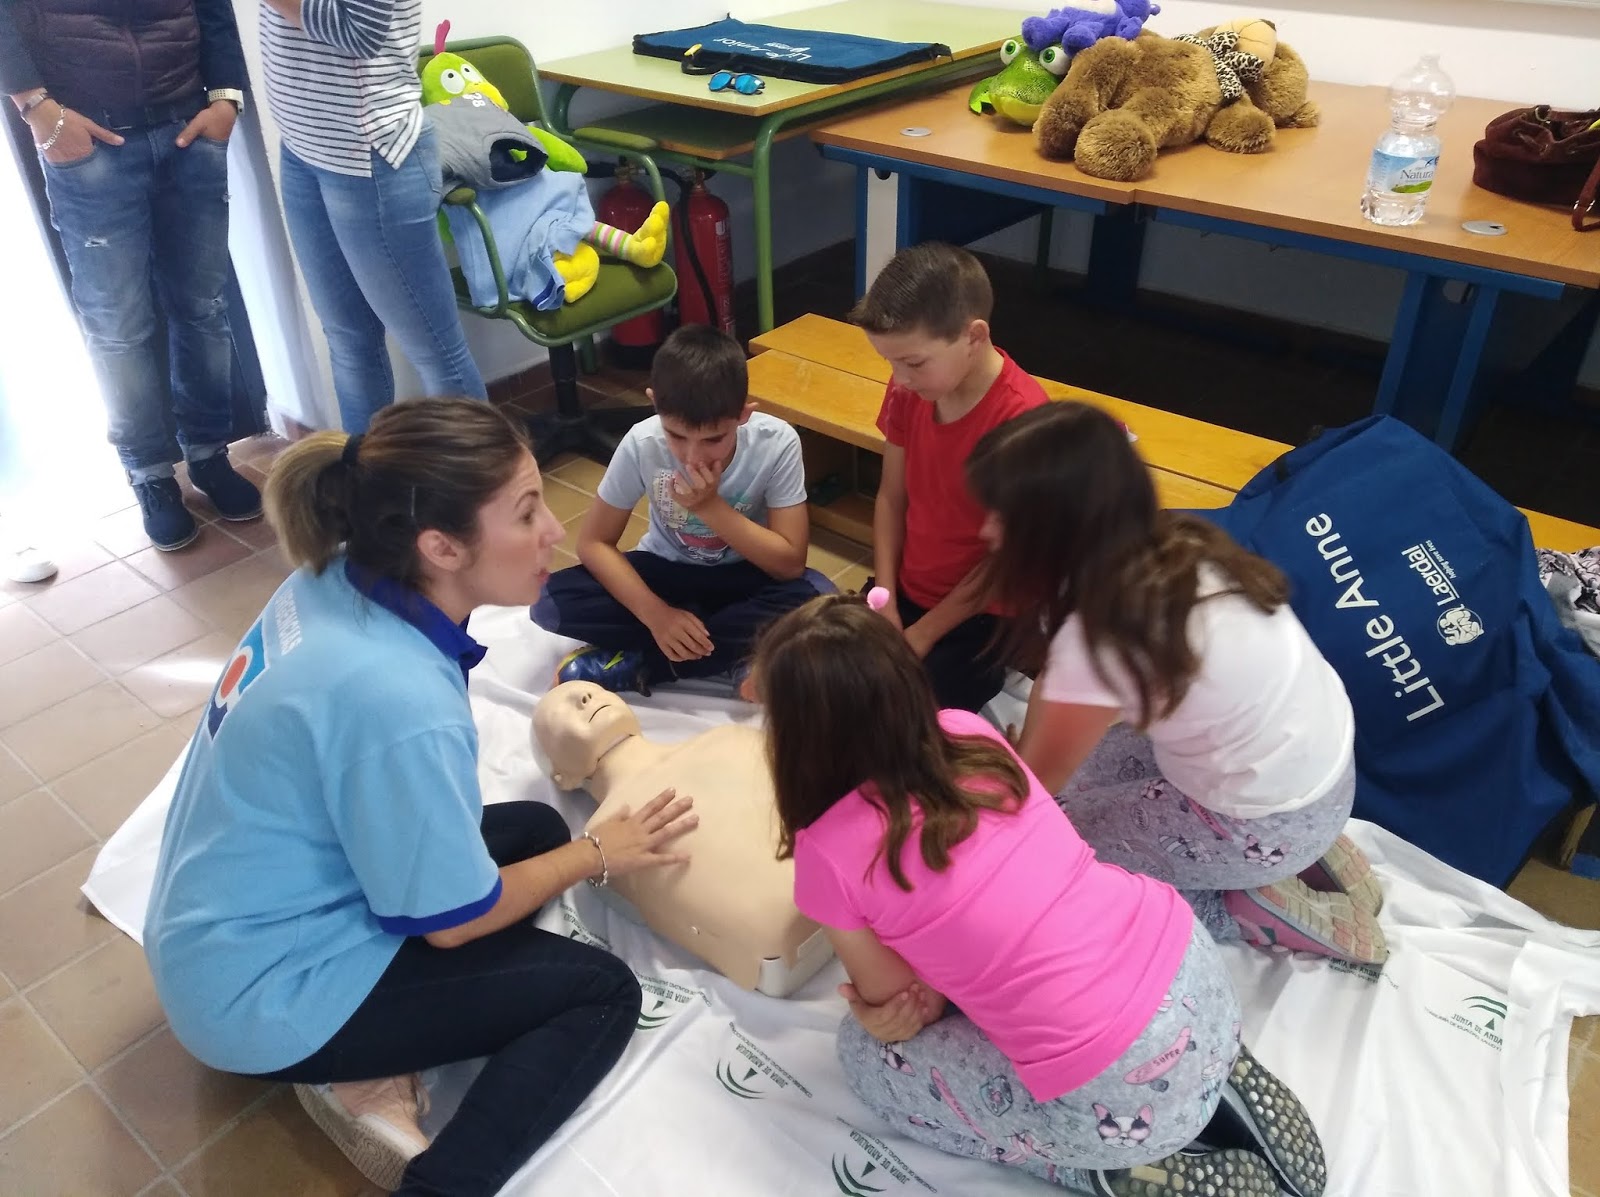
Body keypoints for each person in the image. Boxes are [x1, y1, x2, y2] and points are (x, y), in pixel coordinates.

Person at [143, 399, 698, 1197]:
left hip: (222, 925)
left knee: (538, 827)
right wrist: (600, 853)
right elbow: (458, 925)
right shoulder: (395, 696)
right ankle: (438, 1181)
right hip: (258, 992)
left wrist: (568, 850)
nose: (553, 530)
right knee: (601, 992)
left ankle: (374, 1056)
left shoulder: (335, 574)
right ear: (439, 545)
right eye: (526, 510)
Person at [751, 595, 1327, 1197]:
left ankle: (1093, 1167)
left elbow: (900, 1003)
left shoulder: (825, 851)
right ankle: (1214, 1070)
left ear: (794, 735)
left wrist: (885, 1016)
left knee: (865, 1057)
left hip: (1115, 1090)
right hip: (1193, 971)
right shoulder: (969, 731)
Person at [966, 402, 1386, 966]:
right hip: (1322, 778)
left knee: (1057, 850)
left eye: (1000, 516)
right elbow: (1062, 698)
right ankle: (1292, 853)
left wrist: (976, 804)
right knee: (1082, 786)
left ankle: (1247, 910)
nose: (985, 530)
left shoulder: (1100, 632)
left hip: (1270, 823)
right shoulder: (1174, 542)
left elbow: (1038, 780)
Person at [1, 0, 262, 550]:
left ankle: (210, 454)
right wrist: (34, 104)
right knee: (117, 324)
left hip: (189, 125)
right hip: (87, 135)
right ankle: (149, 474)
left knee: (203, 307)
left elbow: (213, 8)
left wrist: (226, 98)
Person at [534, 324, 823, 694]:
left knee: (814, 596)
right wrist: (656, 615)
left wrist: (710, 507)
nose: (692, 456)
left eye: (714, 439)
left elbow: (789, 563)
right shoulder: (641, 441)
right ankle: (733, 652)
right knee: (550, 602)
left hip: (744, 576)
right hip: (667, 571)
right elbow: (594, 543)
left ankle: (649, 663)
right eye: (676, 436)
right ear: (654, 403)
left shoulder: (777, 442)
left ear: (744, 415)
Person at [259, 0, 487, 433]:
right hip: (305, 148)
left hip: (373, 158)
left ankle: (484, 497)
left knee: (437, 353)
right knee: (348, 340)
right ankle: (363, 490)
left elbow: (359, 30)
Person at [850, 241, 1049, 713]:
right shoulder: (910, 389)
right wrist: (884, 599)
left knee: (908, 714)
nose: (899, 379)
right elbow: (890, 499)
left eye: (913, 362)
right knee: (833, 677)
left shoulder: (1021, 420)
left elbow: (1004, 566)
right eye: (890, 363)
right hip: (907, 587)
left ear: (974, 337)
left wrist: (922, 634)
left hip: (982, 613)